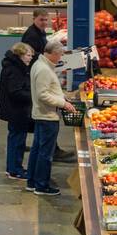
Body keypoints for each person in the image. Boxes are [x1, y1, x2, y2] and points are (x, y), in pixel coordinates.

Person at [27, 38, 71, 197]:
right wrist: (62, 103)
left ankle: (32, 181)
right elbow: (43, 94)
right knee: (46, 153)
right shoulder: (44, 70)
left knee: (37, 150)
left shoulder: (40, 65)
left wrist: (62, 96)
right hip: (47, 116)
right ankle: (42, 185)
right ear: (52, 54)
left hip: (41, 114)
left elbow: (46, 90)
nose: (60, 58)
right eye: (59, 55)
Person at [0, 42, 35, 182]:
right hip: (17, 111)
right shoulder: (15, 70)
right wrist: (34, 96)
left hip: (14, 110)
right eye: (28, 55)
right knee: (17, 141)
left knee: (15, 139)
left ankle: (13, 168)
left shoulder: (13, 66)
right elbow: (15, 92)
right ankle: (15, 170)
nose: (30, 58)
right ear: (20, 55)